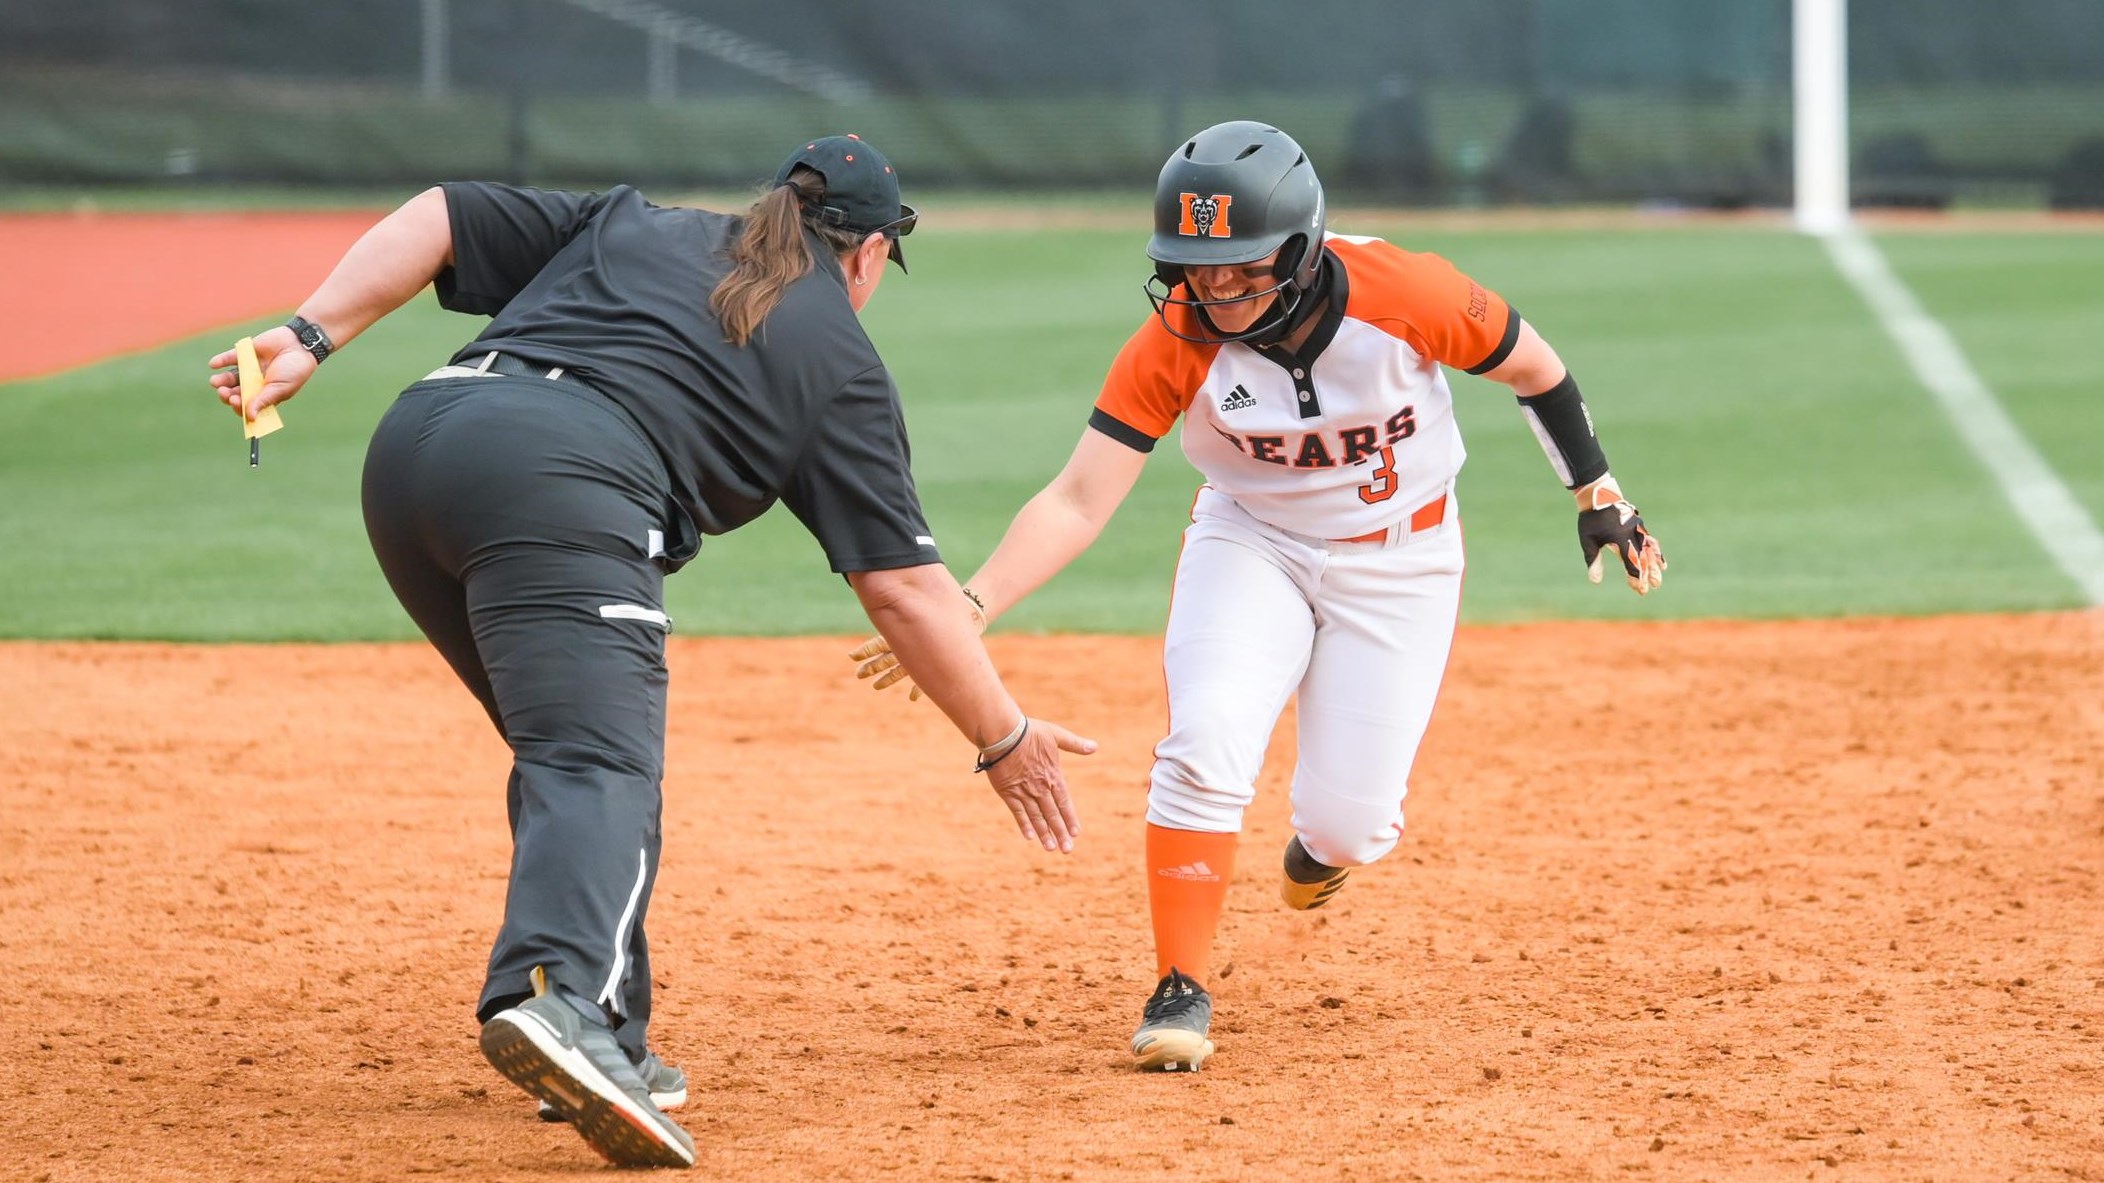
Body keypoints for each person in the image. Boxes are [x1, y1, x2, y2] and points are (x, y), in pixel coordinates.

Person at [207, 135, 1094, 1168]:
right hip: (559, 482)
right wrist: (1004, 738)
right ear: (867, 255)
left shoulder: (636, 222)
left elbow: (442, 212)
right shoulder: (838, 354)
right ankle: (564, 1005)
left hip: (416, 453)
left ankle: (607, 1036)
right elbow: (903, 589)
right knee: (599, 762)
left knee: (567, 752)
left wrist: (311, 335)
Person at [850, 121, 1664, 1073]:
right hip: (1251, 544)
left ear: (1302, 247)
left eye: (1243, 266)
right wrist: (973, 602)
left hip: (1404, 558)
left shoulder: (1407, 293)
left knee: (1352, 823)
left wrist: (1598, 492)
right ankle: (1179, 983)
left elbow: (1538, 370)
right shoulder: (1177, 339)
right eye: (1196, 269)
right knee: (1204, 745)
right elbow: (1078, 497)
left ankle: (1321, 854)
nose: (1218, 289)